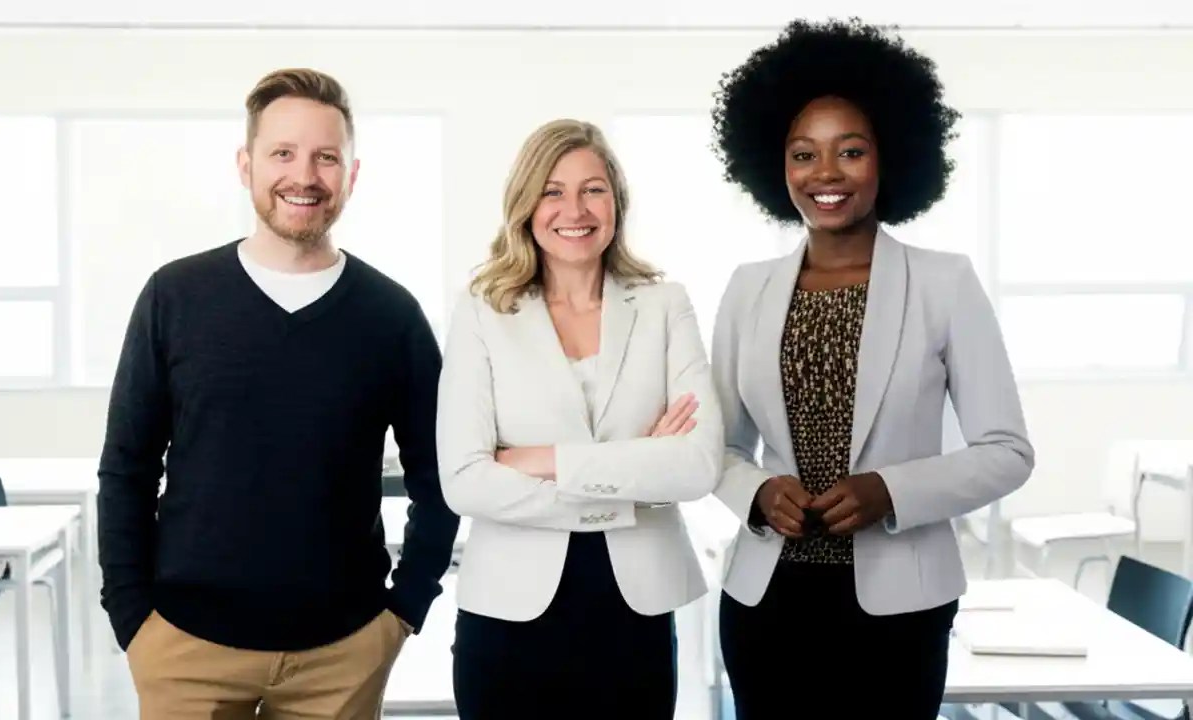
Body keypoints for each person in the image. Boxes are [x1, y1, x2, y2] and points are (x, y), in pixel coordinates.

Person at [98, 67, 459, 719]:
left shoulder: (391, 316)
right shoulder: (174, 297)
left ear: (352, 174)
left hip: (341, 657)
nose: (305, 175)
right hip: (185, 650)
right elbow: (127, 467)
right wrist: (132, 617)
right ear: (246, 165)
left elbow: (439, 475)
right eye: (283, 153)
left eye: (327, 157)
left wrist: (404, 609)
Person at [707, 19, 1035, 718]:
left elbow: (1006, 453)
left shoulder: (945, 283)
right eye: (804, 155)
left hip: (901, 610)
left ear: (890, 157)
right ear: (777, 166)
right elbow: (721, 448)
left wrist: (891, 490)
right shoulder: (747, 288)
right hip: (767, 602)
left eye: (849, 151)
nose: (826, 174)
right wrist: (760, 495)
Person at [436, 118, 723, 719]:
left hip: (635, 612)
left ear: (617, 200)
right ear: (525, 204)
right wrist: (633, 484)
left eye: (593, 188)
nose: (575, 208)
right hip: (507, 614)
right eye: (552, 190)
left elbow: (697, 465)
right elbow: (464, 479)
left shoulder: (664, 304)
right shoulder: (483, 311)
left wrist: (544, 461)